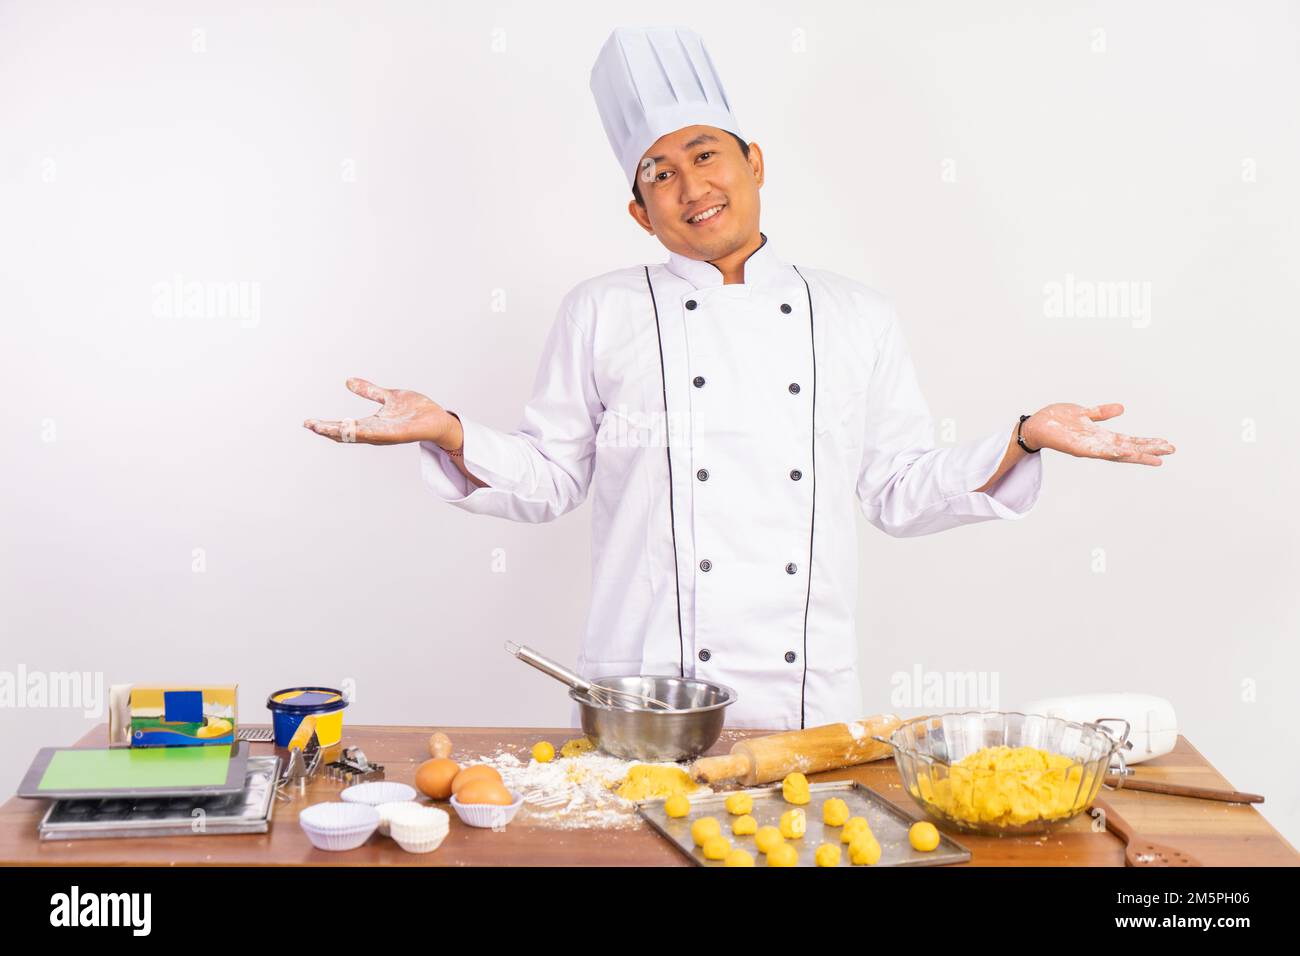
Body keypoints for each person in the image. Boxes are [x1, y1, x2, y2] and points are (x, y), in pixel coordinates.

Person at [304, 26, 1175, 729]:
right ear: (640, 213)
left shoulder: (855, 313)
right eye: (661, 173)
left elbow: (900, 490)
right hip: (644, 699)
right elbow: (553, 476)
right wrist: (449, 430)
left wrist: (1021, 436)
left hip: (806, 700)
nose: (691, 185)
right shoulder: (601, 310)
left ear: (753, 162)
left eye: (704, 154)